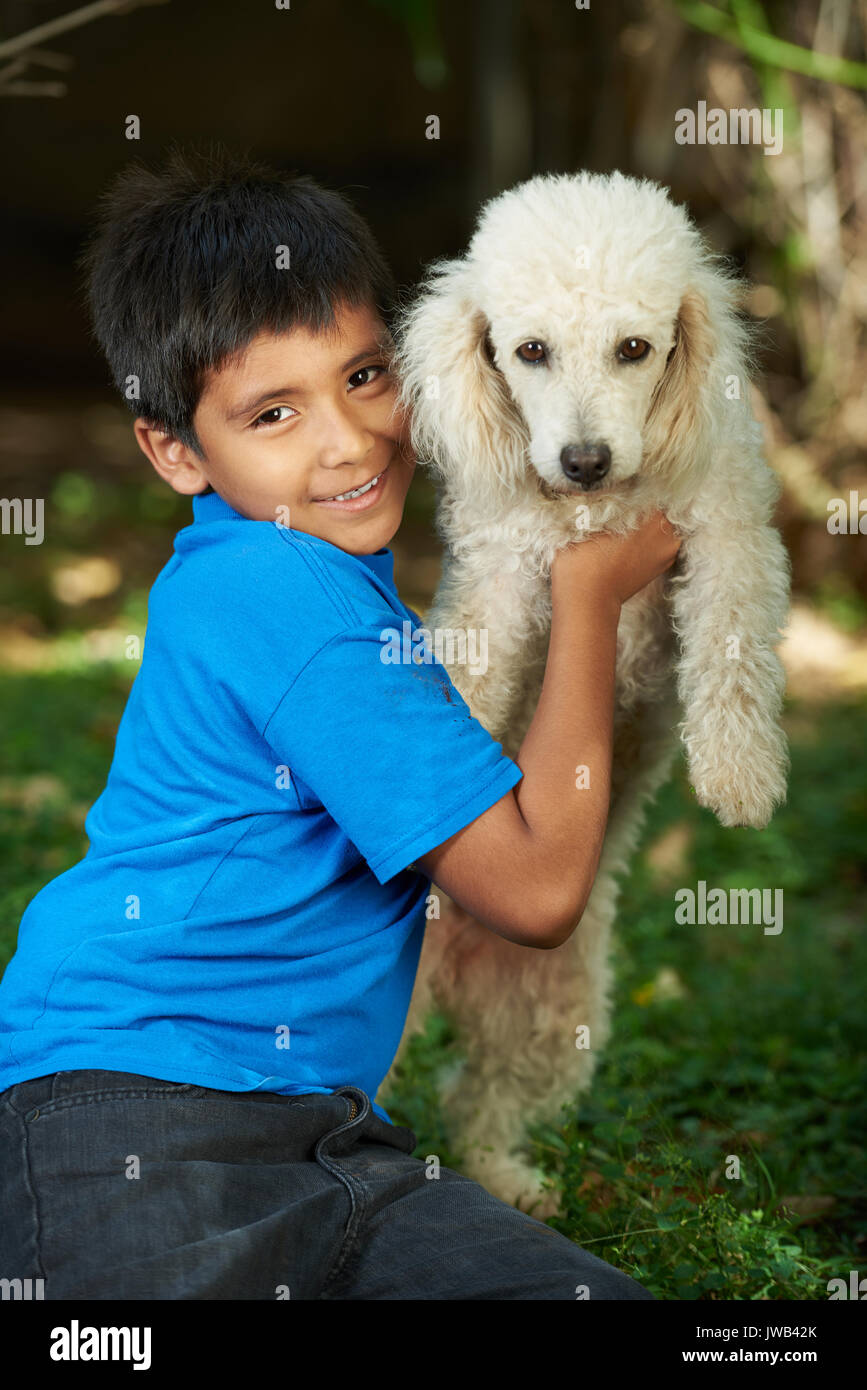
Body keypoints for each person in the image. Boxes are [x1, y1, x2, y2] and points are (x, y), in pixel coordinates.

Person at [0, 148, 680, 1300]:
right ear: (174, 450)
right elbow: (534, 889)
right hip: (127, 1122)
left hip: (335, 1147)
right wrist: (588, 598)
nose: (351, 442)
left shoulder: (291, 578)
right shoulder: (285, 599)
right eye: (273, 412)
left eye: (366, 377)